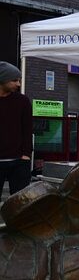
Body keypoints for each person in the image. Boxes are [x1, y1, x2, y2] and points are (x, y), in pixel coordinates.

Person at [0, 62, 31, 201]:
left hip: (19, 161)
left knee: (20, 204)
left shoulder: (22, 101)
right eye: (14, 80)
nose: (18, 84)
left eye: (19, 80)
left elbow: (27, 128)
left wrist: (26, 154)